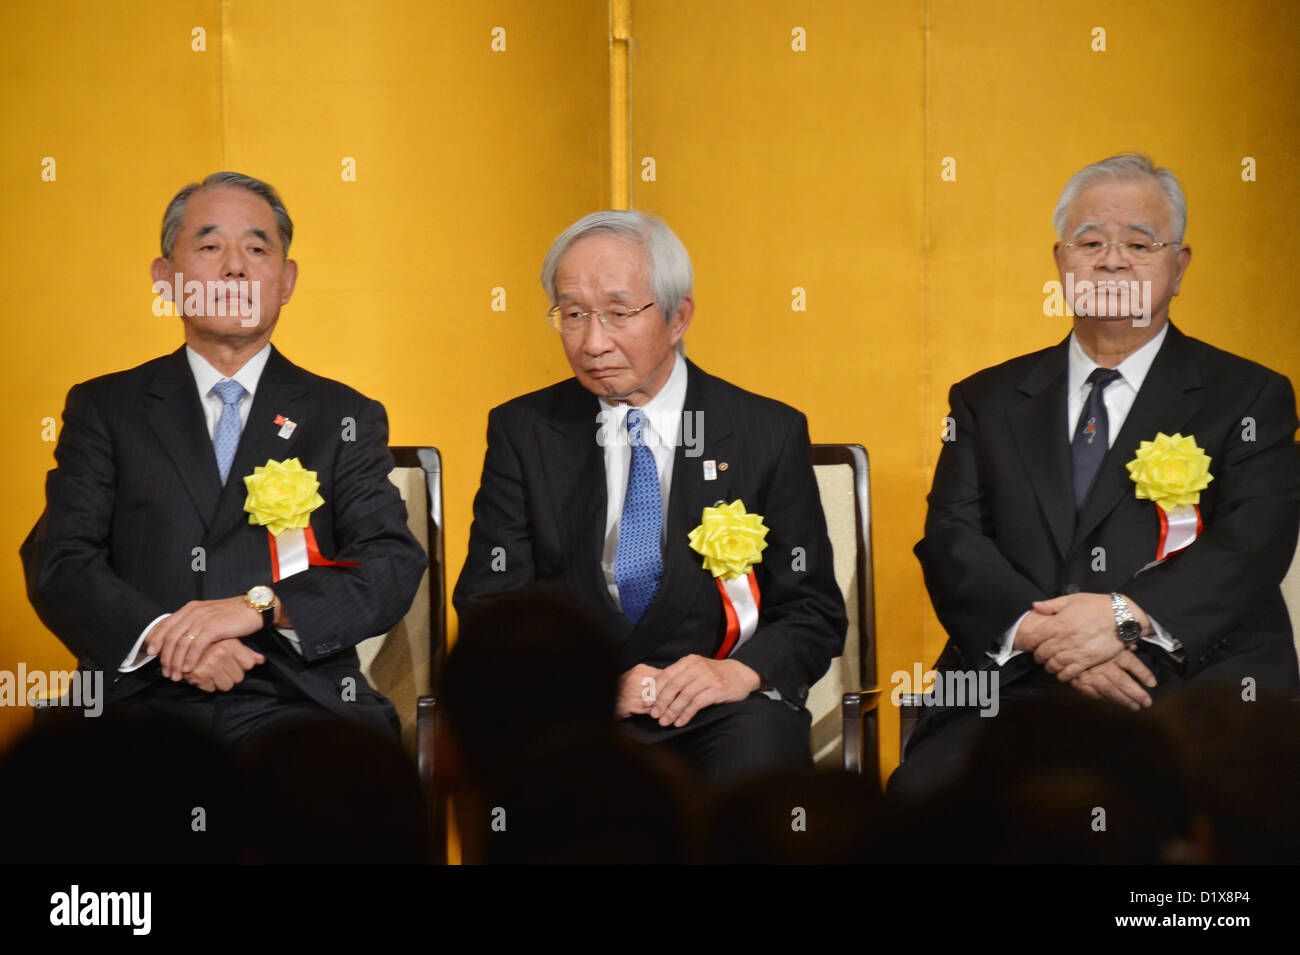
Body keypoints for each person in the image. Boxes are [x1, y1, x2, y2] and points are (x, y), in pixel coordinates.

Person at [891, 154, 1300, 797]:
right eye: (1090, 243)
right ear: (1061, 262)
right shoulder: (986, 399)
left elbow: (1254, 544)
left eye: (1139, 243)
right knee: (926, 796)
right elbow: (951, 540)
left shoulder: (1247, 396)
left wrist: (1121, 617)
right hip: (1022, 682)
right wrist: (1046, 638)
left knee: (1215, 807)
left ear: (1180, 266)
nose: (1112, 261)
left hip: (1196, 677)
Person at [21, 172, 427, 747]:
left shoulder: (344, 413)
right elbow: (60, 559)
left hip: (300, 697)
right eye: (210, 247)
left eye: (257, 248)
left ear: (286, 281)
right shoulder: (105, 407)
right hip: (140, 694)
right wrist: (169, 640)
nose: (235, 268)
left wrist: (260, 607)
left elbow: (388, 564)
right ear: (165, 280)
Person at [452, 210, 846, 785]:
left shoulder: (765, 432)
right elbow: (491, 602)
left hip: (723, 709)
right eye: (573, 314)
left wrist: (737, 674)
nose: (592, 342)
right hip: (579, 713)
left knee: (754, 760)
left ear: (677, 315)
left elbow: (812, 610)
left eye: (617, 313)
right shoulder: (524, 430)